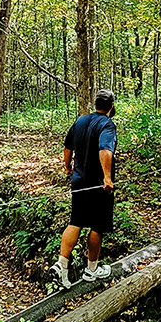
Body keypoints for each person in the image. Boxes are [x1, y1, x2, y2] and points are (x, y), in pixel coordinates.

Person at [49, 88, 117, 289]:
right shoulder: (107, 124)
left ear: (95, 104)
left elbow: (68, 146)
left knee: (76, 221)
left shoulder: (80, 120)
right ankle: (92, 269)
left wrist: (67, 166)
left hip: (78, 182)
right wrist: (107, 177)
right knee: (97, 226)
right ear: (111, 106)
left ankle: (62, 265)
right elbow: (105, 150)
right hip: (98, 184)